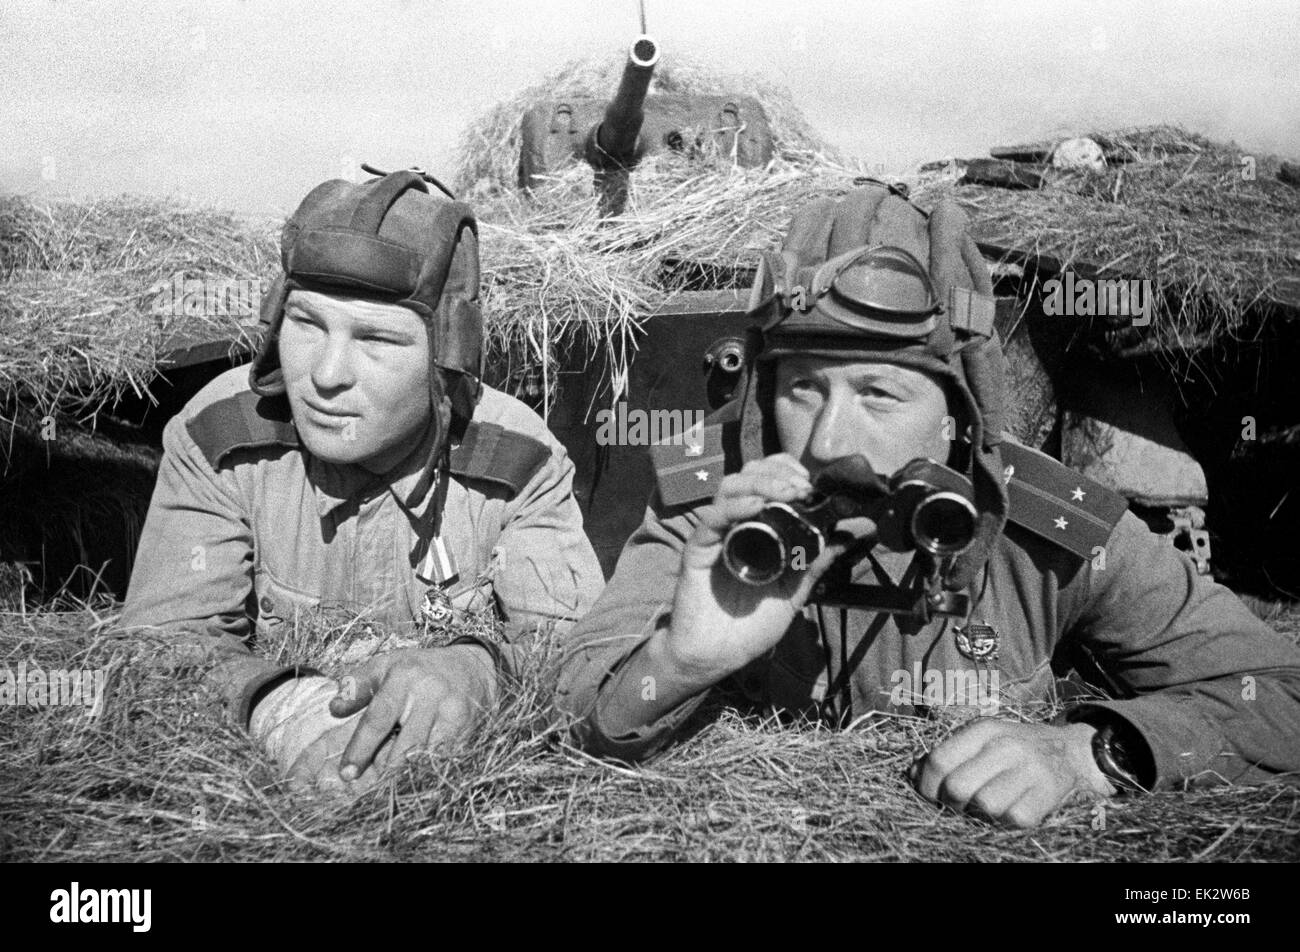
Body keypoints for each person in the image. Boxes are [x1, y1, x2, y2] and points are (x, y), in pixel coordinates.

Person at [556, 183, 1300, 828]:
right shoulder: (717, 504)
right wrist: (677, 661)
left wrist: (1095, 751)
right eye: (803, 387)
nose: (827, 439)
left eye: (879, 393)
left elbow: (1280, 692)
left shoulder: (1046, 527)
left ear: (957, 416)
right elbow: (574, 707)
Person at [121, 169, 604, 790]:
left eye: (375, 339)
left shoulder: (517, 460)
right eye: (306, 324)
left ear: (444, 359)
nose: (325, 374)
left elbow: (574, 654)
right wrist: (288, 712)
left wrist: (475, 674)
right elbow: (162, 644)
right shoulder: (219, 437)